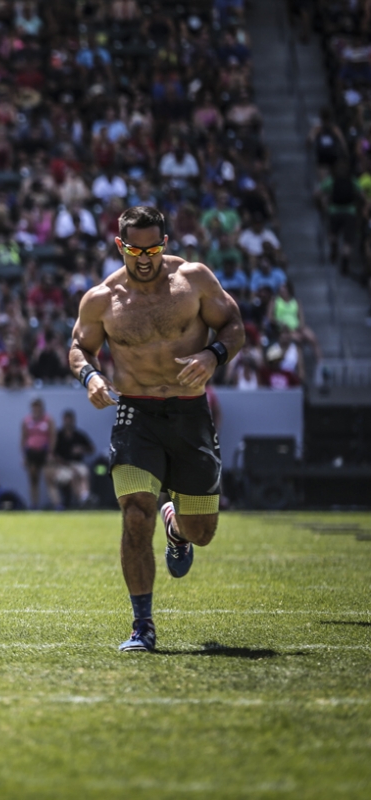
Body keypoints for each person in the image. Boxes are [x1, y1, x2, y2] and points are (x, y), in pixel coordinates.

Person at [69, 206, 244, 652]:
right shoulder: (102, 298)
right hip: (136, 415)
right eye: (134, 250)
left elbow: (234, 326)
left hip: (189, 414)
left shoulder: (194, 279)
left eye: (153, 248)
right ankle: (142, 626)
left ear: (164, 243)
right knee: (134, 514)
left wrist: (213, 355)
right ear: (119, 246)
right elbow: (78, 348)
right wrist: (90, 377)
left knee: (201, 532)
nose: (144, 258)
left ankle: (177, 528)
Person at [50, 410, 95, 508]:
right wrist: (67, 465)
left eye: (70, 420)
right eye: (66, 419)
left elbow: (92, 449)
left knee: (84, 472)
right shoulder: (58, 436)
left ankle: (85, 496)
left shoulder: (79, 435)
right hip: (62, 466)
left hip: (78, 463)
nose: (68, 422)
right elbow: (53, 454)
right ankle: (82, 500)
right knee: (72, 476)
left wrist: (81, 449)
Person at [20, 397, 55, 510]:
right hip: (31, 453)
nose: (36, 409)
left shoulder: (48, 420)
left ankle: (56, 503)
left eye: (38, 406)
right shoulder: (27, 421)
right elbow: (23, 438)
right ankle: (34, 504)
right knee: (33, 479)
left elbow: (52, 437)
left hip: (44, 452)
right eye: (34, 406)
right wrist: (24, 456)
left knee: (49, 478)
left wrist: (50, 452)